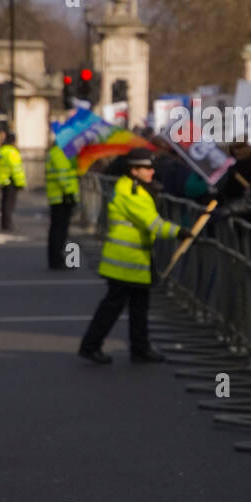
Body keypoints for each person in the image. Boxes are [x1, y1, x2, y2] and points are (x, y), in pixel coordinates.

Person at [78, 147, 188, 364]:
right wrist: (180, 232)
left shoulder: (132, 188)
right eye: (146, 168)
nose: (151, 172)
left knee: (138, 307)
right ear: (134, 170)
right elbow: (153, 224)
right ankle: (91, 346)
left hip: (133, 262)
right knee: (113, 308)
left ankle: (139, 348)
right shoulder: (132, 193)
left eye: (151, 168)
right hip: (124, 262)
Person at [45, 138, 79, 269]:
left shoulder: (54, 152)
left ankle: (55, 259)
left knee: (56, 229)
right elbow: (63, 175)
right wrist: (69, 192)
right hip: (63, 197)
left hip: (58, 196)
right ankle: (57, 259)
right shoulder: (60, 153)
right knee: (60, 230)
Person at [0, 131, 26, 231]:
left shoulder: (1, 151)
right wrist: (20, 183)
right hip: (12, 181)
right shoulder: (12, 152)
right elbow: (16, 169)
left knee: (4, 203)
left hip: (3, 179)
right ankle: (8, 224)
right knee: (10, 203)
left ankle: (4, 223)